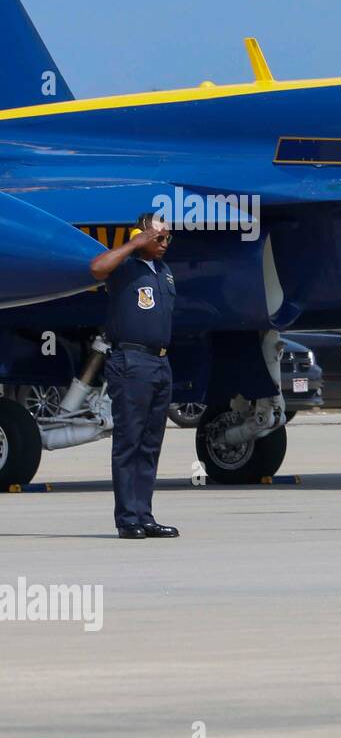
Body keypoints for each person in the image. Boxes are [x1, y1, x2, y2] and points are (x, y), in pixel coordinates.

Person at [88, 211, 180, 539]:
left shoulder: (165, 272)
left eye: (167, 237)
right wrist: (133, 245)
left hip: (159, 363)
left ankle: (145, 514)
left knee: (150, 444)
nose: (164, 242)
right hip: (131, 361)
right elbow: (96, 268)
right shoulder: (124, 268)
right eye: (158, 237)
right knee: (129, 441)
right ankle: (127, 519)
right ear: (140, 236)